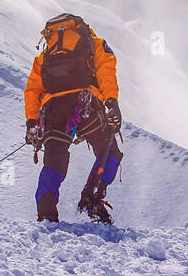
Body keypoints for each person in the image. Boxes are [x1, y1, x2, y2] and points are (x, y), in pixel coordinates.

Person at [24, 12, 124, 224]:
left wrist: (31, 122)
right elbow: (106, 71)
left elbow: (32, 90)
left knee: (54, 160)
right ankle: (92, 197)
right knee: (109, 152)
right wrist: (111, 102)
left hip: (53, 109)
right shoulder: (93, 43)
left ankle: (46, 212)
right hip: (85, 103)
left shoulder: (45, 55)